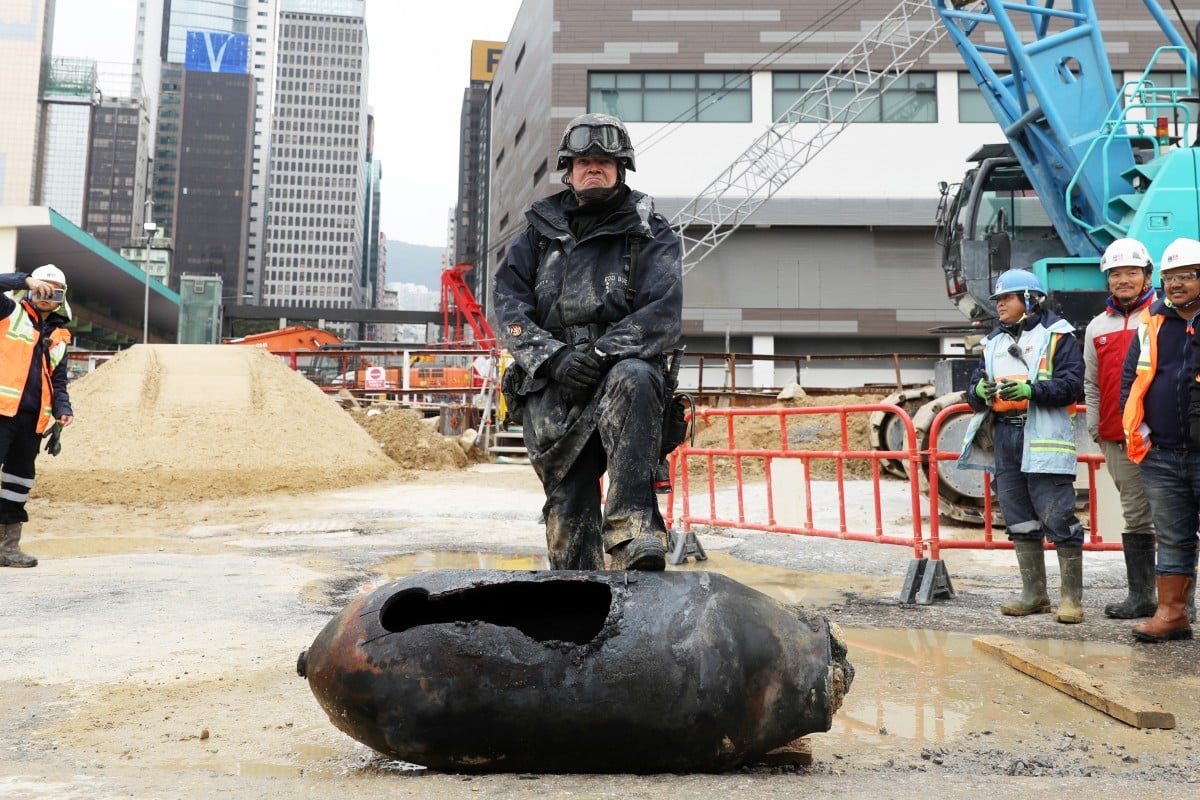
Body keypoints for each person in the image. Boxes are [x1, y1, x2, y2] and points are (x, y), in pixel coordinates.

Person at [492, 113, 683, 571]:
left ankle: (632, 532)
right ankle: (576, 606)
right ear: (568, 169)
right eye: (583, 161)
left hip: (621, 381)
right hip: (554, 396)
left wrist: (601, 354)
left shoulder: (650, 232)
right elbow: (509, 304)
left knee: (634, 376)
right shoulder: (538, 235)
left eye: (604, 161)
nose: (593, 168)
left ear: (622, 169)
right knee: (570, 515)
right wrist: (552, 358)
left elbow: (662, 313)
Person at [959, 268, 1086, 623]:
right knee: (1019, 519)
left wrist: (1032, 390)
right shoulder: (993, 342)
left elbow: (1072, 385)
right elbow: (974, 390)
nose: (999, 304)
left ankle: (1071, 600)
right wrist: (978, 393)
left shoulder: (1058, 336)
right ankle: (1034, 594)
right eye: (998, 299)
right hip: (1007, 438)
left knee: (1058, 517)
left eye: (1006, 298)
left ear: (1029, 300)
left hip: (1043, 439)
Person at [1123, 237, 1200, 642]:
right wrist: (1136, 430)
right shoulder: (1152, 322)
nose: (1176, 284)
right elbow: (1129, 381)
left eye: (1186, 275)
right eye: (1170, 277)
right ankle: (1171, 615)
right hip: (1162, 454)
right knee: (1171, 536)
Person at [1083, 238, 1158, 618]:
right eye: (1116, 273)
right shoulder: (1097, 327)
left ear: (1147, 276)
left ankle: (1181, 604)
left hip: (1166, 438)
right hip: (1117, 437)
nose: (1123, 279)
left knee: (1178, 516)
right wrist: (1098, 428)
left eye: (1131, 272)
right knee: (1135, 515)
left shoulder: (1163, 317)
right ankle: (1143, 597)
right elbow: (1092, 384)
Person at [0, 264, 74, 568]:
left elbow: (58, 380)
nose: (45, 294)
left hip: (32, 422)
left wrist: (63, 409)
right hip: (2, 411)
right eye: (40, 288)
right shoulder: (9, 311)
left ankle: (7, 548)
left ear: (62, 298)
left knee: (18, 483)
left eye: (52, 290)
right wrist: (23, 280)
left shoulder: (60, 335)